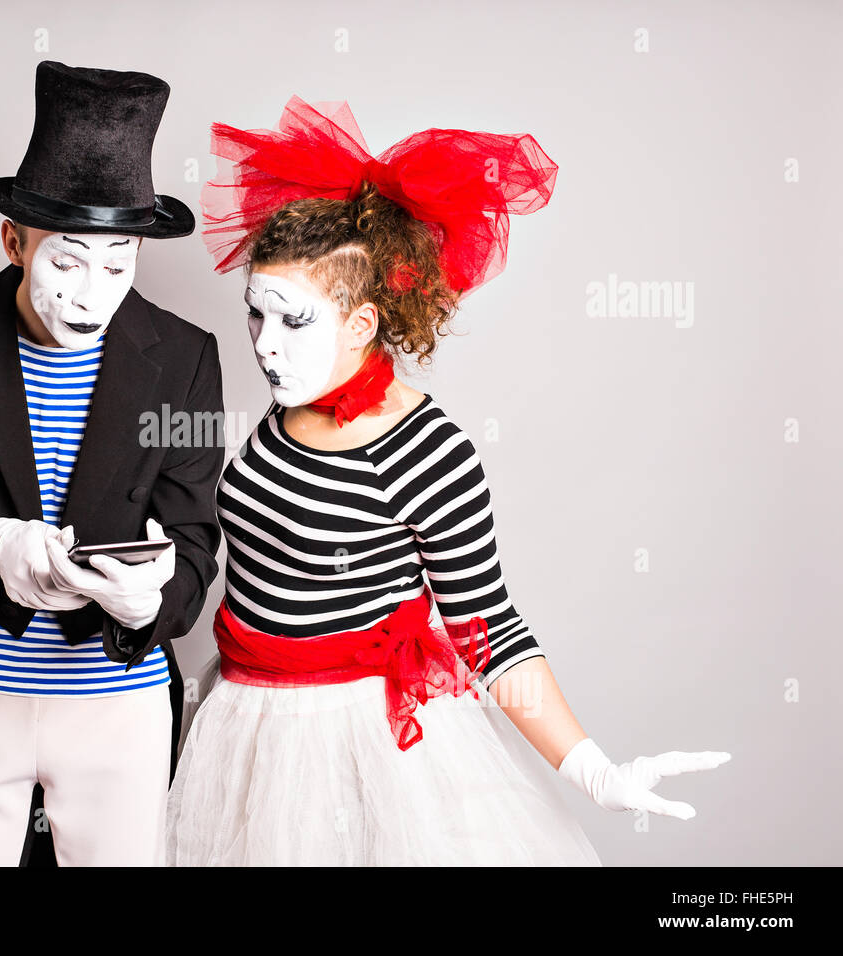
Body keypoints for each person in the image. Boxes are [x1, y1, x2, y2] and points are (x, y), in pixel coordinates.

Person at [165, 96, 731, 865]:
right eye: (256, 315)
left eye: (293, 320)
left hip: (355, 748)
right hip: (240, 721)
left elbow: (489, 627)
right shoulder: (288, 404)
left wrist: (593, 770)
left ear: (362, 324)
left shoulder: (427, 451)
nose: (266, 346)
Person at [0, 60, 223, 866]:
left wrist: (152, 600)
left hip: (118, 705)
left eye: (119, 262)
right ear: (14, 240)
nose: (95, 294)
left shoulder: (186, 359)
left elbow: (197, 545)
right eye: (68, 261)